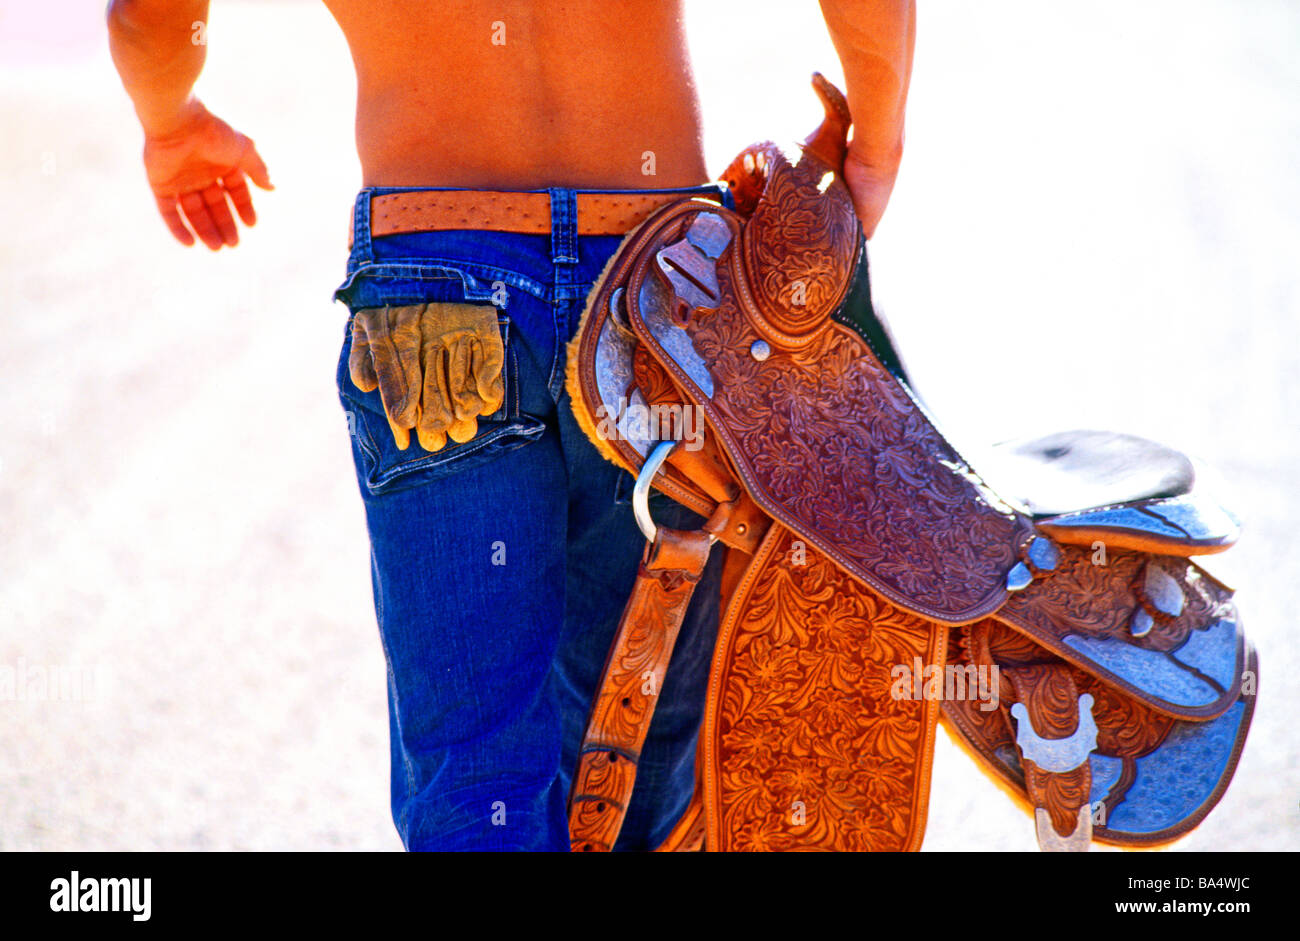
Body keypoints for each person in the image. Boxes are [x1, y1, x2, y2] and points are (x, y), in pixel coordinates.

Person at [107, 0, 915, 851]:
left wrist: (174, 124)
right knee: (643, 770)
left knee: (476, 777)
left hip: (439, 286)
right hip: (657, 298)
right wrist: (876, 140)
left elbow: (150, 19)